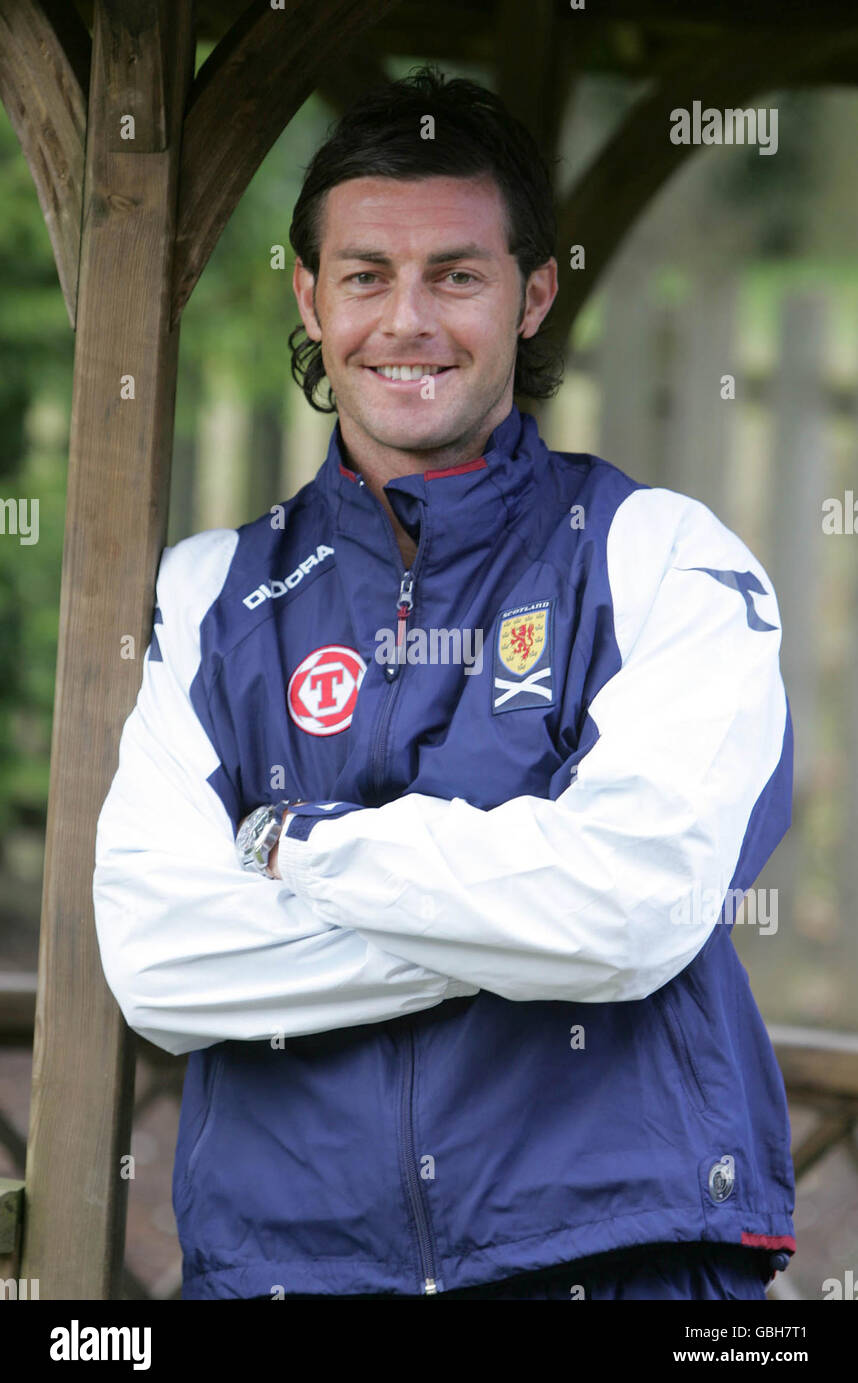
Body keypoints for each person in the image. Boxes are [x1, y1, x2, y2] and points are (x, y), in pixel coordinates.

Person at [92, 66, 795, 1301]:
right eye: (367, 274)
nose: (406, 320)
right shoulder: (209, 595)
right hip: (284, 1272)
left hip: (617, 1258)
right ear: (309, 297)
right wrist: (527, 917)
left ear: (532, 295)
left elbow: (636, 904)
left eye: (456, 275)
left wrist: (294, 846)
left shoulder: (659, 555)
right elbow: (158, 958)